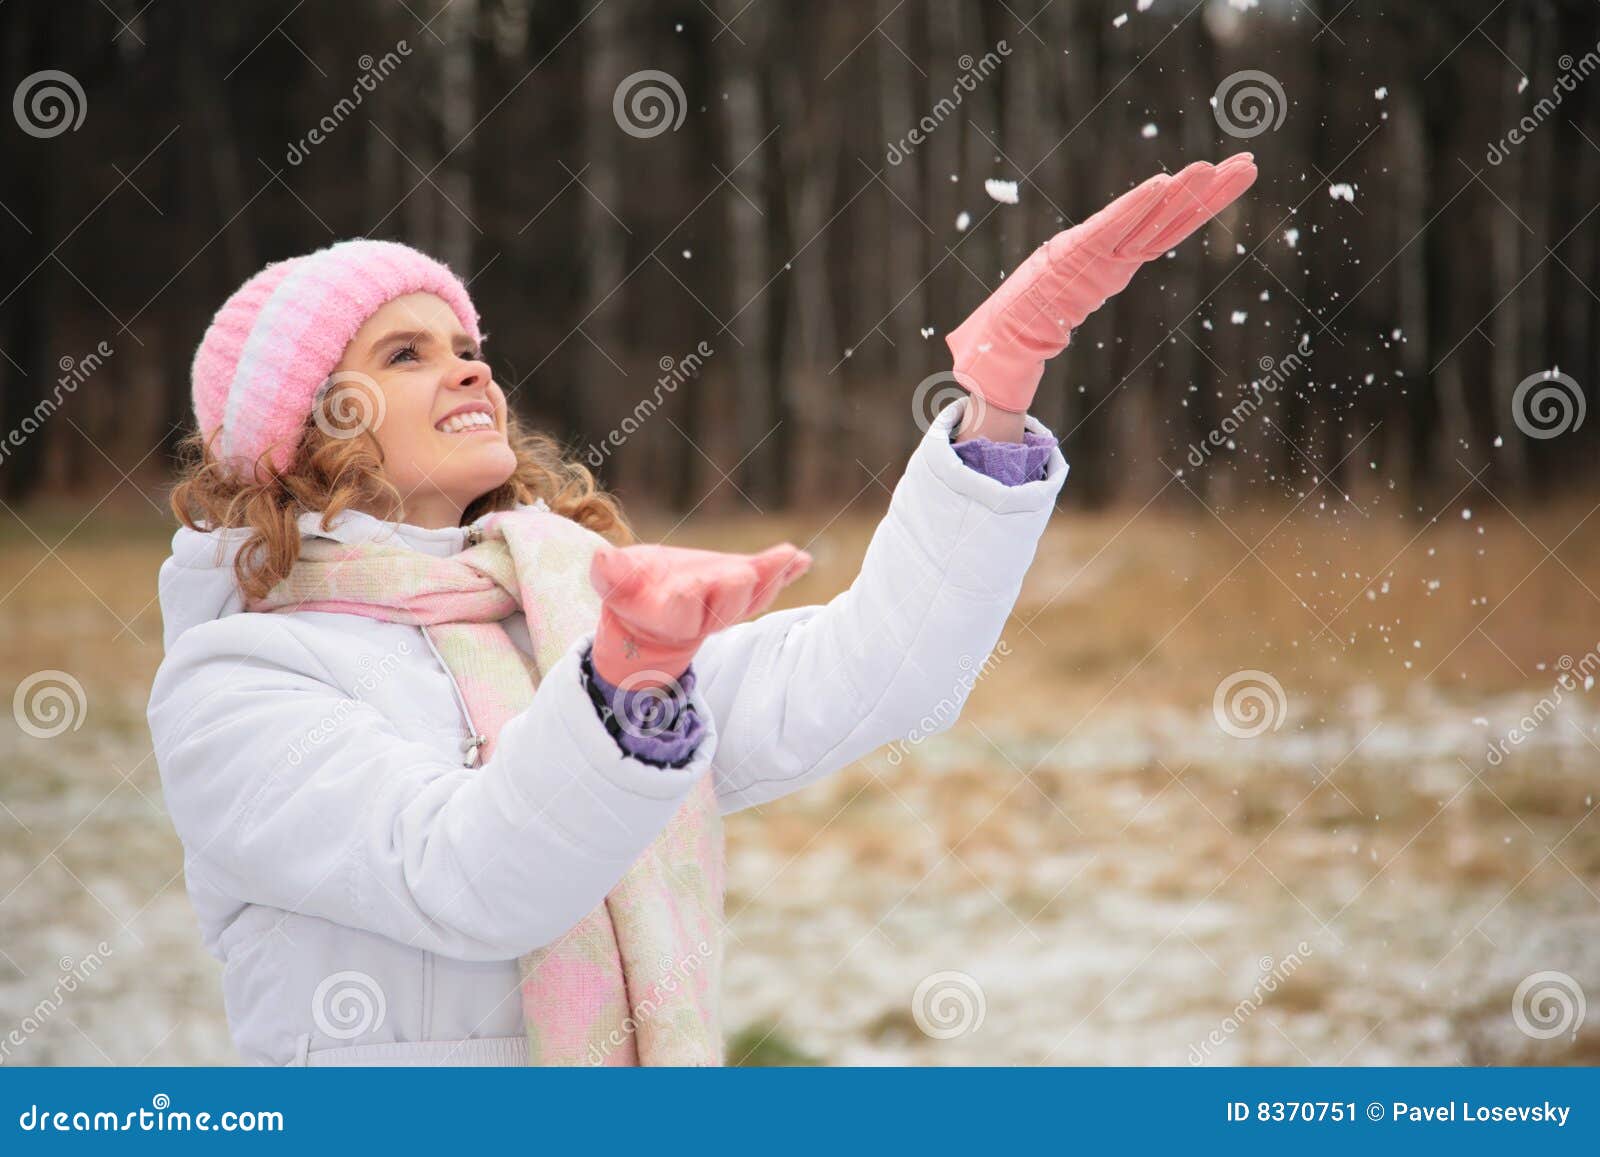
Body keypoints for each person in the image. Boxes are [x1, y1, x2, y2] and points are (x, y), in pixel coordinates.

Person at [146, 155, 1257, 1066]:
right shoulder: (239, 682)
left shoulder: (563, 613)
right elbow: (467, 877)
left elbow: (884, 671)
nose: (473, 372)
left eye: (472, 349)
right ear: (299, 431)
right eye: (408, 352)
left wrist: (995, 396)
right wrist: (620, 690)